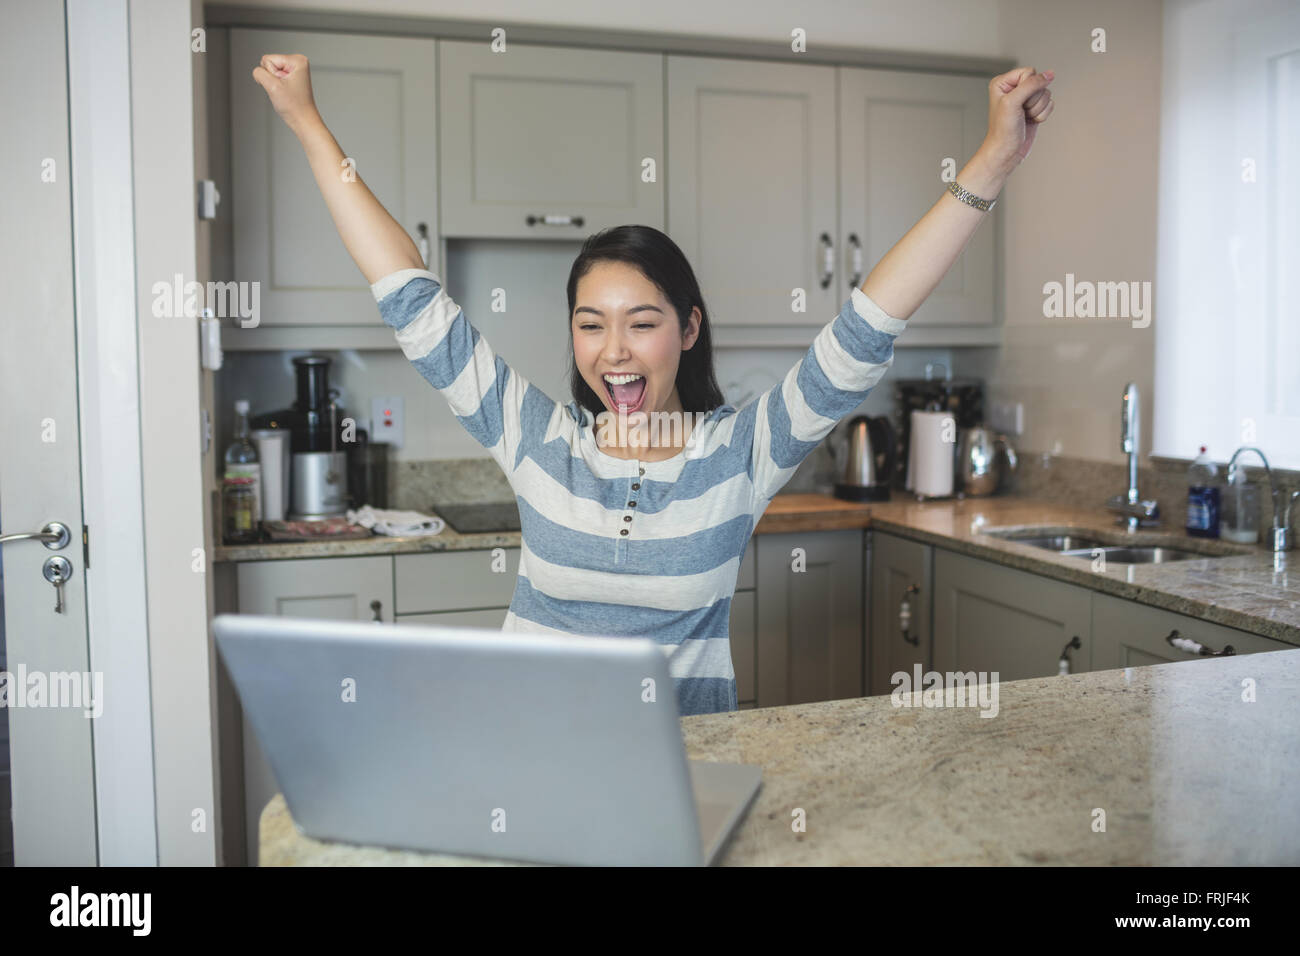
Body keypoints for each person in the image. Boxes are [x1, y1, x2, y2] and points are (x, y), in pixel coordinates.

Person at [251, 54, 1054, 716]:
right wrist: (306, 123)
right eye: (590, 323)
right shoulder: (536, 437)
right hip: (525, 758)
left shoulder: (743, 453)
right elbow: (410, 296)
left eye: (642, 321)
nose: (614, 352)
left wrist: (993, 159)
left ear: (689, 328)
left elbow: (869, 323)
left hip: (687, 772)